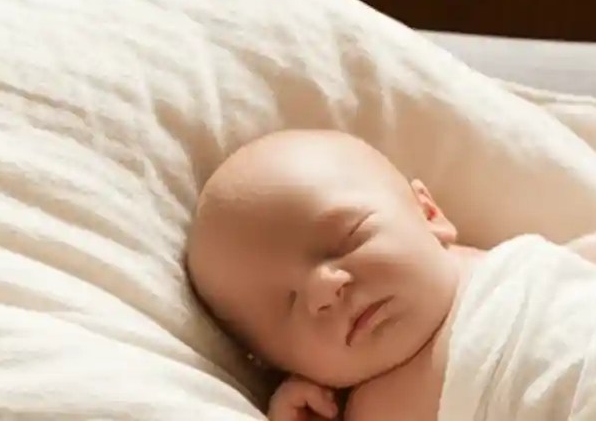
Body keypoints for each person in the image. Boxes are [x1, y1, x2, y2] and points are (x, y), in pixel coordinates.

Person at [185, 129, 487, 420]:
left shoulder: (498, 267)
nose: (324, 289)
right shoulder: (367, 409)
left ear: (429, 213)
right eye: (288, 305)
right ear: (284, 366)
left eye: (348, 238)